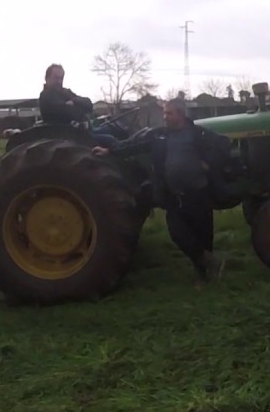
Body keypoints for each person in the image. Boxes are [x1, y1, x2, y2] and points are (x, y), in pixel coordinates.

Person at [93, 98, 231, 284]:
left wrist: (209, 163)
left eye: (168, 113)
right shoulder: (159, 135)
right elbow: (133, 145)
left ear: (180, 115)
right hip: (173, 195)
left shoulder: (198, 133)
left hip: (198, 193)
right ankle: (210, 263)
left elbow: (223, 144)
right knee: (177, 233)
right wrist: (109, 151)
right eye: (164, 113)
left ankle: (203, 274)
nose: (164, 117)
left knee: (203, 234)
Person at [38, 63, 119, 148]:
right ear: (47, 78)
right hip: (72, 137)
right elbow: (67, 111)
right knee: (110, 140)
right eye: (56, 78)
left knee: (113, 128)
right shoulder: (46, 96)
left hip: (86, 132)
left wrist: (73, 102)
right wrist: (75, 105)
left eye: (61, 78)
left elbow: (88, 104)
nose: (59, 81)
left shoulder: (66, 92)